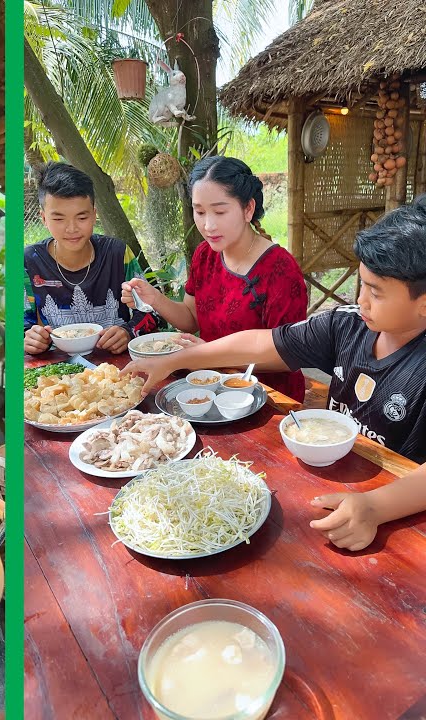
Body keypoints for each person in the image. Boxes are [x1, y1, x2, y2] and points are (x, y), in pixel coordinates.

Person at [125, 196, 426, 552]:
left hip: (396, 513)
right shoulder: (348, 325)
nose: (361, 300)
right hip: (325, 482)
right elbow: (259, 345)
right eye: (362, 285)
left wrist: (376, 507)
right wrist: (179, 359)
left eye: (375, 292)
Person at [122, 155, 308, 401]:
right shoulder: (205, 255)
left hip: (269, 399)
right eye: (199, 212)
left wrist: (205, 355)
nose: (208, 225)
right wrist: (155, 298)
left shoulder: (280, 269)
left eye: (220, 212)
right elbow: (191, 319)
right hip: (209, 388)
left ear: (248, 209)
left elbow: (287, 355)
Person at [23, 162, 158, 356]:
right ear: (44, 218)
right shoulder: (29, 261)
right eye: (59, 219)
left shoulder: (117, 254)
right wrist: (29, 339)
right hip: (59, 370)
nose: (71, 229)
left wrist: (128, 332)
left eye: (81, 217)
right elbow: (20, 328)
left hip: (118, 366)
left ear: (94, 215)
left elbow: (151, 310)